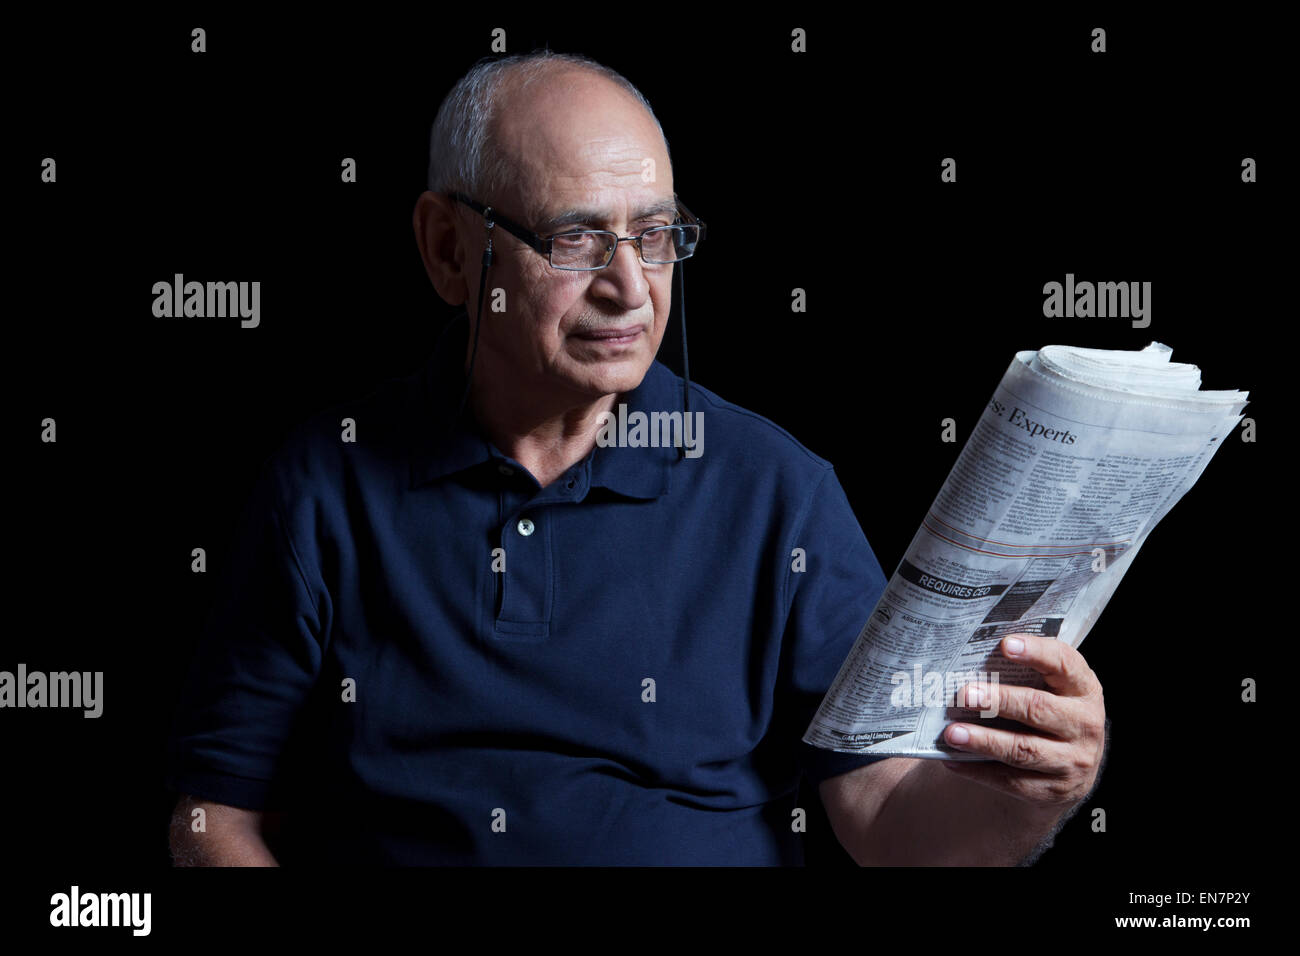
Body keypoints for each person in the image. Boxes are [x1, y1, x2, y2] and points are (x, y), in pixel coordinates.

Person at [165, 51, 1106, 866]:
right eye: (575, 238)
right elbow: (214, 818)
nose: (630, 288)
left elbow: (887, 823)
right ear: (448, 249)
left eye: (655, 236)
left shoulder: (777, 495)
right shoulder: (323, 485)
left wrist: (1035, 794)